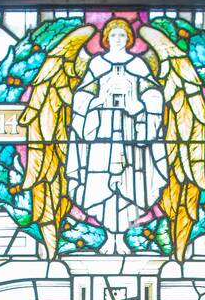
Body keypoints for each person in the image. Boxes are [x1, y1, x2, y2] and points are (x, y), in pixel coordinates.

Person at [67, 18, 167, 252]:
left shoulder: (139, 65)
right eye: (114, 35)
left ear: (129, 39)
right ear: (106, 39)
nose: (118, 39)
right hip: (102, 132)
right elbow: (80, 99)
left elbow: (154, 95)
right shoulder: (97, 65)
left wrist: (138, 106)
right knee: (101, 183)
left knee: (130, 182)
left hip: (131, 132)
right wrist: (99, 101)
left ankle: (120, 236)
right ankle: (109, 236)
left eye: (122, 35)